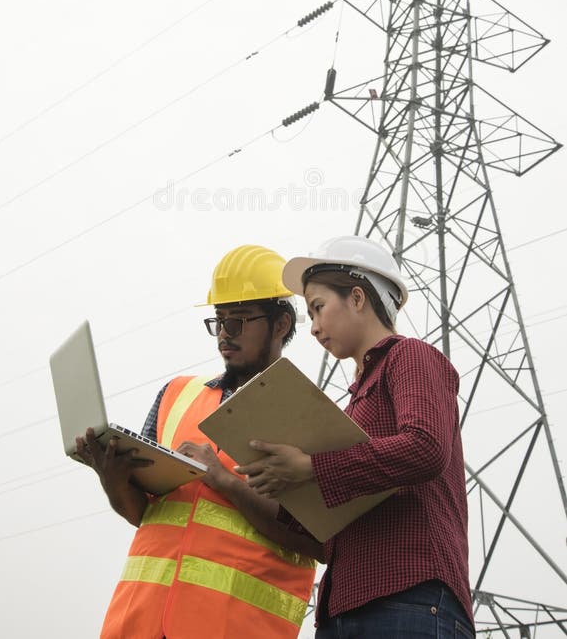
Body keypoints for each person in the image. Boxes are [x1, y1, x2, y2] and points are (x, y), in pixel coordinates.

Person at [76, 244, 319, 639]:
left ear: (281, 324)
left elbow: (318, 541)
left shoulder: (309, 418)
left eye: (238, 320)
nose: (225, 333)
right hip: (139, 620)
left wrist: (223, 480)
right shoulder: (176, 395)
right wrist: (112, 478)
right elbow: (142, 512)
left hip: (236, 627)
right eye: (219, 321)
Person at [236, 235, 475, 638]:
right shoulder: (352, 407)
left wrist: (311, 467)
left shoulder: (409, 355)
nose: (312, 328)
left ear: (358, 298)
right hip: (346, 607)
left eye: (318, 308)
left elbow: (427, 447)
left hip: (411, 598)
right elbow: (328, 536)